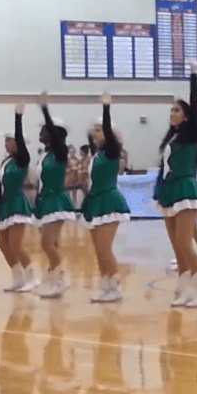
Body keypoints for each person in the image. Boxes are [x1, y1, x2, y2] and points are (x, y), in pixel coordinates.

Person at [155, 61, 197, 307]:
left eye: (177, 110)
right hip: (168, 191)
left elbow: (195, 104)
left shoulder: (192, 135)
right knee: (176, 247)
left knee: (184, 243)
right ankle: (185, 287)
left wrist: (193, 76)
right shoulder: (173, 138)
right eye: (171, 110)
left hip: (185, 189)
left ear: (187, 116)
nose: (172, 113)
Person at [82, 94, 131, 302]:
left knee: (104, 248)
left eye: (99, 130)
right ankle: (105, 285)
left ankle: (116, 287)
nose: (95, 134)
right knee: (98, 250)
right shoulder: (97, 155)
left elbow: (109, 135)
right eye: (94, 130)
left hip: (110, 201)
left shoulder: (112, 151)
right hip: (96, 201)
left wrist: (106, 107)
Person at [0, 103, 37, 293]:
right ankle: (17, 276)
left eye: (10, 140)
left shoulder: (22, 159)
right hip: (4, 205)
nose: (6, 143)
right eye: (5, 141)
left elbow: (19, 136)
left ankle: (32, 277)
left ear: (19, 143)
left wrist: (18, 117)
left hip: (17, 203)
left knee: (15, 245)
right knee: (3, 245)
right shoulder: (6, 161)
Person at [35, 98, 78, 297]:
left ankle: (60, 279)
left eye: (44, 130)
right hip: (44, 201)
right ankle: (53, 278)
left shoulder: (61, 152)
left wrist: (45, 110)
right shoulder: (45, 155)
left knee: (46, 243)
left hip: (56, 201)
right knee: (52, 243)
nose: (40, 133)